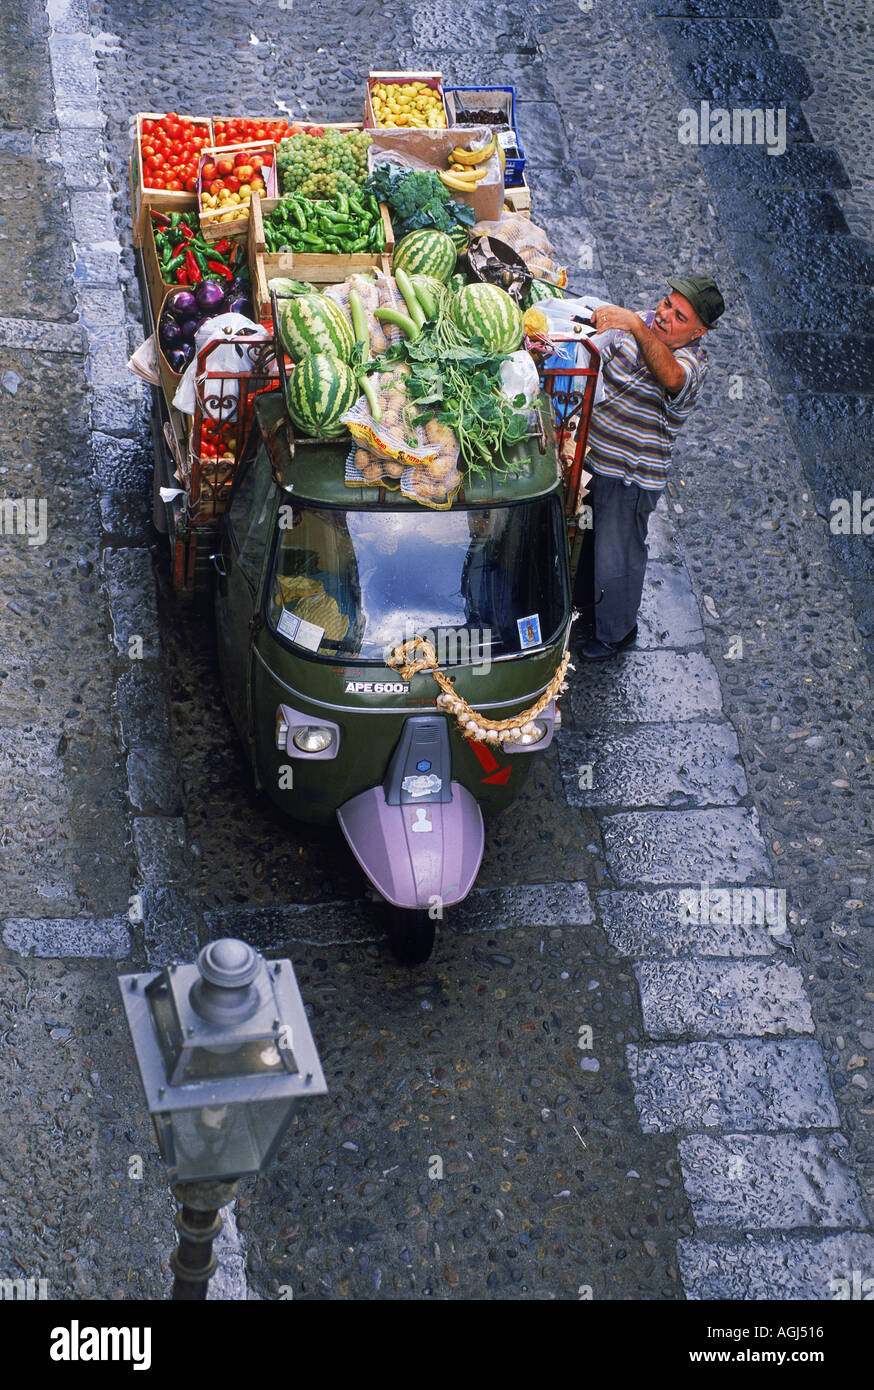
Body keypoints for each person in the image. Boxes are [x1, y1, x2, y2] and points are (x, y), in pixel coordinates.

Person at [572, 274, 725, 660]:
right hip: (591, 461)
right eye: (666, 303)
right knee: (587, 540)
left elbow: (670, 376)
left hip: (629, 477)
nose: (664, 315)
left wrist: (636, 325)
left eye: (679, 317)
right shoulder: (635, 322)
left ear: (698, 333)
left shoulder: (692, 363)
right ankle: (585, 607)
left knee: (617, 556)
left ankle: (615, 633)